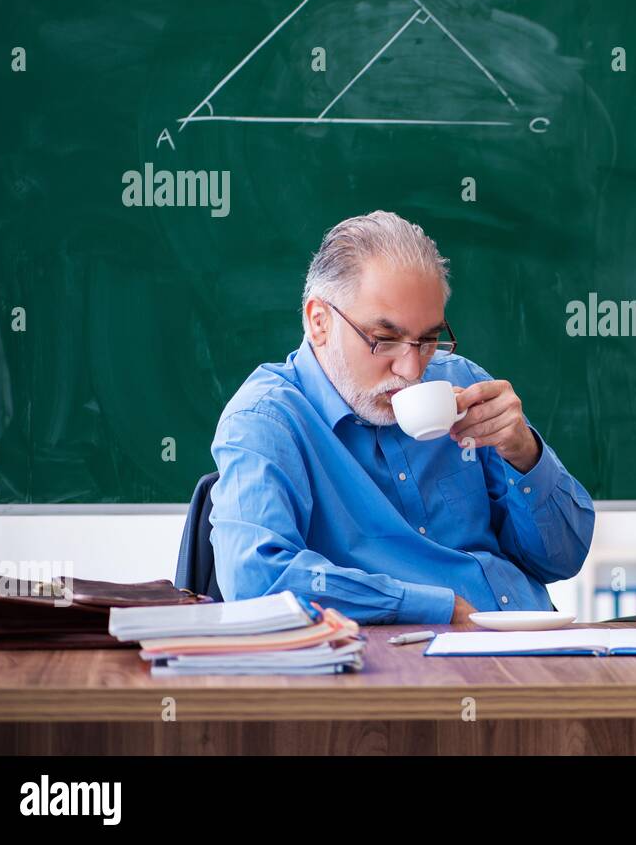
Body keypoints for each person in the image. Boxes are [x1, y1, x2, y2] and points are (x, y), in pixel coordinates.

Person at [209, 211, 595, 624]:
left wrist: (525, 455)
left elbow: (563, 560)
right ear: (318, 322)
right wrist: (436, 609)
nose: (412, 371)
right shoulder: (266, 421)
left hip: (538, 644)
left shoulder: (462, 383)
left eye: (428, 340)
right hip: (405, 667)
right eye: (386, 340)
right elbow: (258, 580)